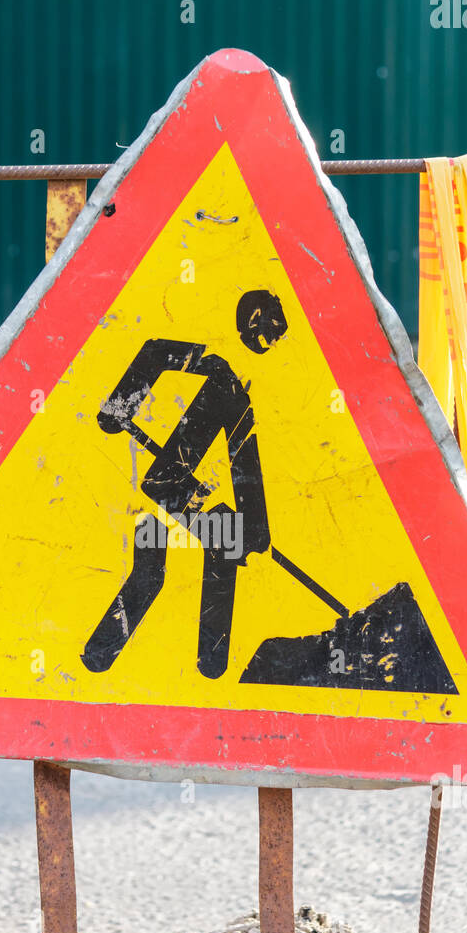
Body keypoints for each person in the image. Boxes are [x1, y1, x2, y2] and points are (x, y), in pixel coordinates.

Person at [82, 290, 287, 679]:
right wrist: (119, 406)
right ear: (254, 320)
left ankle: (208, 668)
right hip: (162, 481)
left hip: (178, 485)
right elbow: (154, 352)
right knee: (159, 569)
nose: (280, 335)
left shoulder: (240, 390)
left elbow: (244, 459)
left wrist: (257, 530)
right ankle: (102, 656)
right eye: (274, 325)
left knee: (221, 541)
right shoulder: (212, 363)